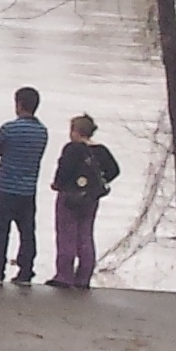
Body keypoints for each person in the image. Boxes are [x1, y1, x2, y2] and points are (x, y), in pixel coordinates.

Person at [0, 87, 53, 288]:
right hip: (28, 189)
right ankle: (25, 271)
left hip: (6, 187)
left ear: (19, 104)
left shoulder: (9, 128)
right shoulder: (42, 131)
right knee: (27, 231)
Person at [49, 116, 118, 290]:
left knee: (66, 235)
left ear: (75, 130)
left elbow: (63, 171)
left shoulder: (72, 149)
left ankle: (64, 275)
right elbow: (114, 170)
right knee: (86, 235)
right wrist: (96, 184)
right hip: (91, 199)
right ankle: (84, 276)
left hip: (70, 197)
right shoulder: (101, 150)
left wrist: (58, 185)